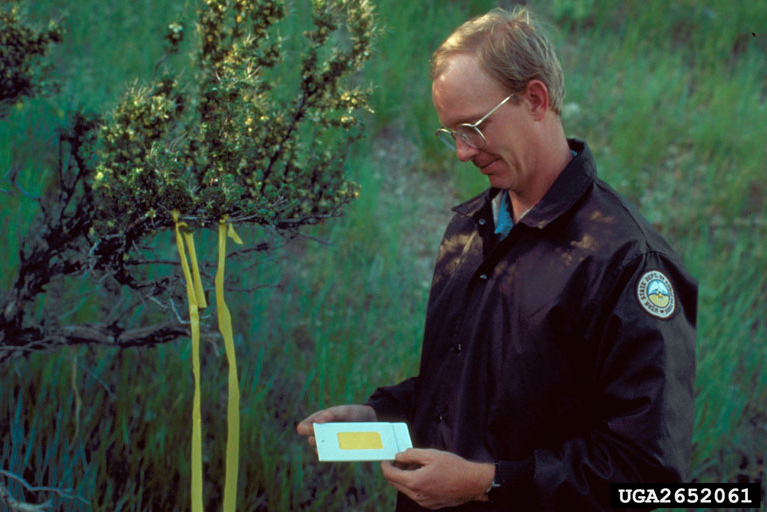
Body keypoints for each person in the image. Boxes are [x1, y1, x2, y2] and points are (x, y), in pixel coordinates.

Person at [297, 7, 697, 511]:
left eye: (474, 127)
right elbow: (470, 389)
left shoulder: (628, 262)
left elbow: (648, 475)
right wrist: (381, 417)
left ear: (535, 98)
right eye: (451, 134)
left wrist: (488, 483)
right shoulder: (470, 228)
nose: (463, 153)